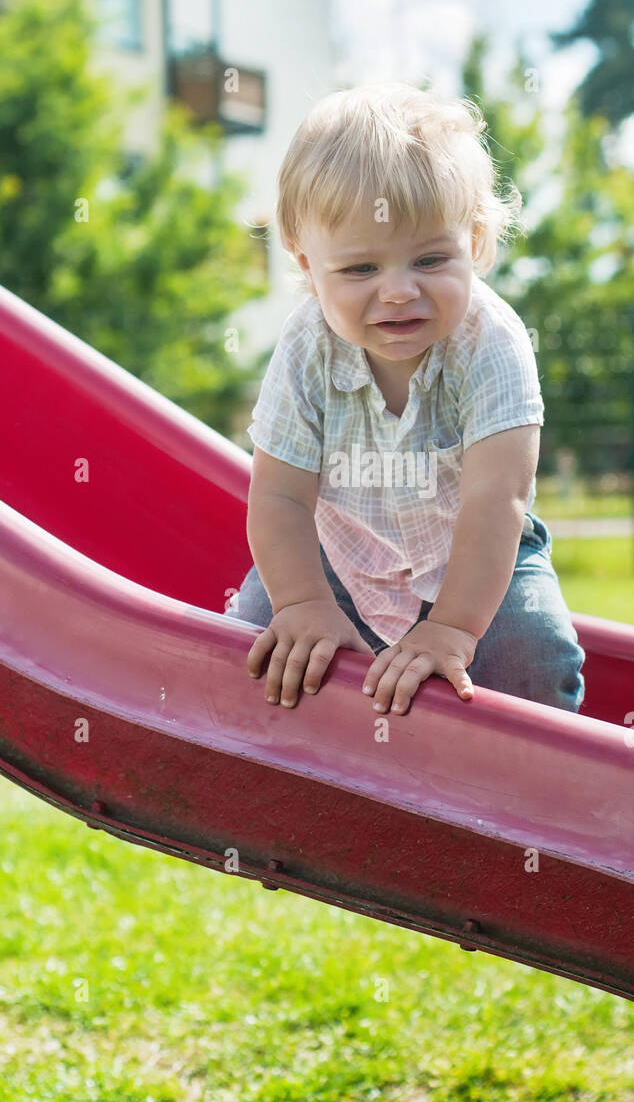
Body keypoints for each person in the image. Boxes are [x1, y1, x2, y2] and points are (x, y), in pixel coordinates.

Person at [226, 81, 585, 717]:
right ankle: (291, 778)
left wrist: (452, 627)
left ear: (474, 244)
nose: (397, 291)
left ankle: (530, 792)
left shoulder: (491, 343)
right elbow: (280, 494)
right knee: (251, 641)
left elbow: (495, 502)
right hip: (335, 550)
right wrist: (305, 601)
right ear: (307, 266)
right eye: (360, 270)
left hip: (476, 552)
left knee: (532, 652)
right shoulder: (308, 345)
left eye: (429, 260)